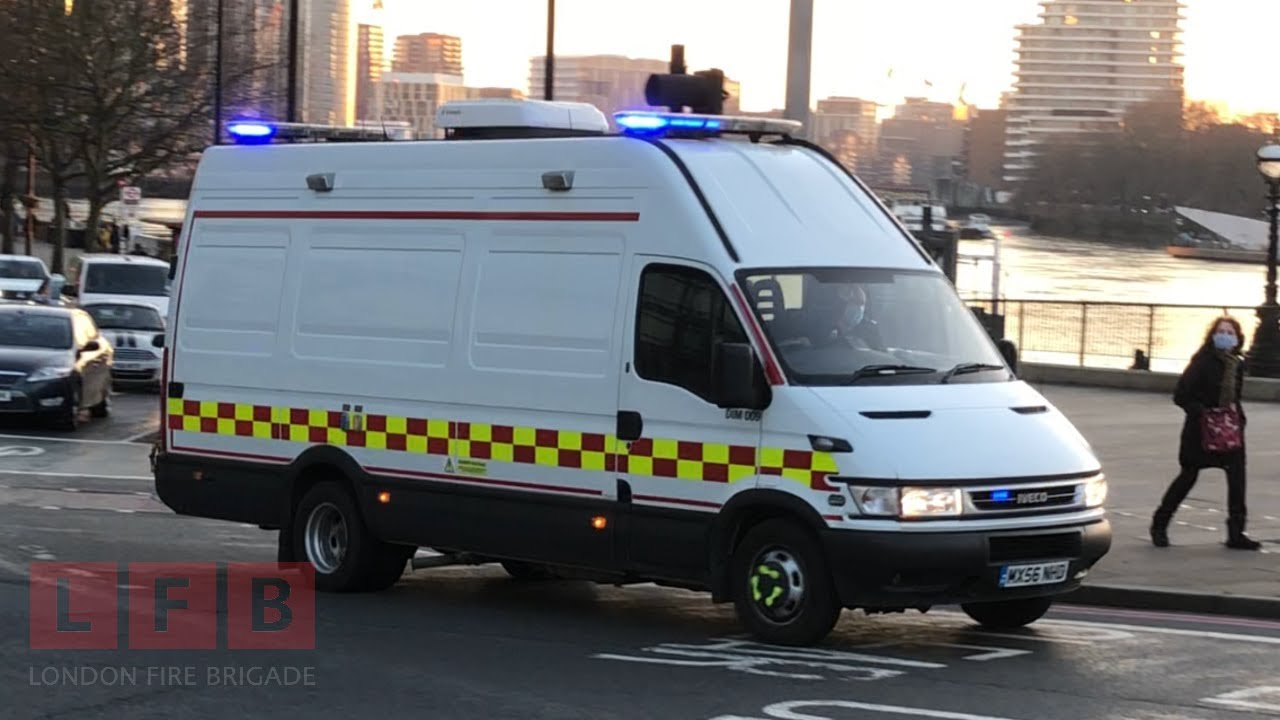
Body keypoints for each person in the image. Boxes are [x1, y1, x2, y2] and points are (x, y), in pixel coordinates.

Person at [1150, 316, 1261, 550]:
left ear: (1238, 338)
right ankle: (1160, 525)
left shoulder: (1236, 364)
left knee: (1237, 480)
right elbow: (1181, 395)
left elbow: (1235, 397)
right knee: (1188, 476)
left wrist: (1237, 419)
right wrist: (1202, 413)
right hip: (1200, 431)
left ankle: (1236, 533)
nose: (1225, 336)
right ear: (1212, 336)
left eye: (1230, 332)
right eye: (1221, 331)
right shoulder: (1201, 362)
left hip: (1229, 429)